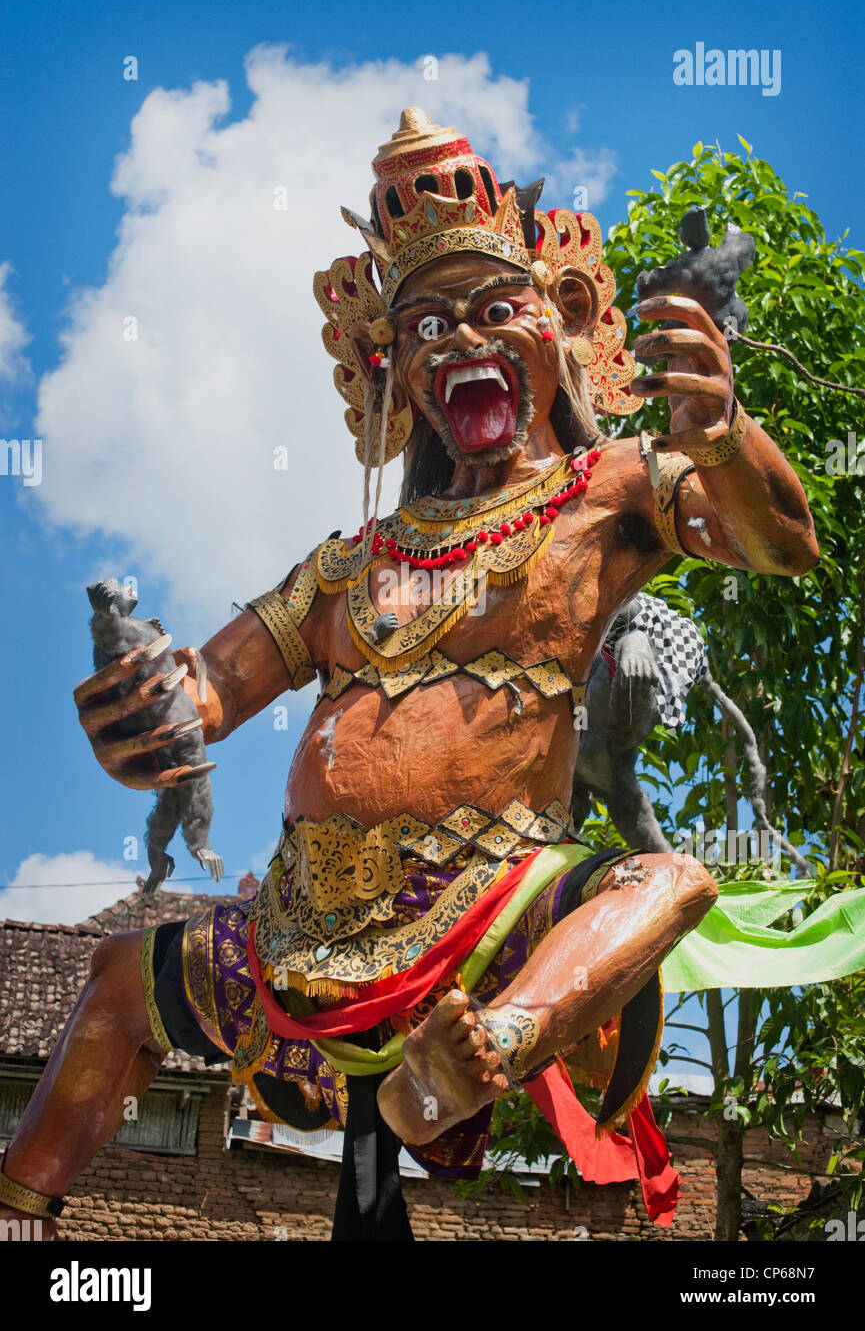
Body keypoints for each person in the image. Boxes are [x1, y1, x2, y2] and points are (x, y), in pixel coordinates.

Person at [0, 109, 818, 1240]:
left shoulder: (605, 493)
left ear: (563, 320)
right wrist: (142, 714)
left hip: (491, 900)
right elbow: (208, 692)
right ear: (391, 369)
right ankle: (20, 1215)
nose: (458, 342)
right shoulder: (346, 565)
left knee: (664, 882)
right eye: (426, 325)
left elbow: (780, 543)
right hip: (302, 911)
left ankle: (486, 1049)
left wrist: (722, 433)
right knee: (116, 983)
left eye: (493, 311)